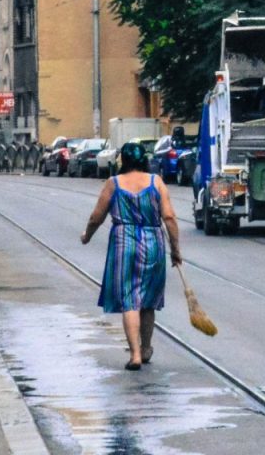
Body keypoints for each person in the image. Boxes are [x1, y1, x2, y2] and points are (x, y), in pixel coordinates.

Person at [81, 141, 182, 371]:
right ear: (144, 160)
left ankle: (135, 354)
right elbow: (169, 218)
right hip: (153, 242)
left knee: (130, 299)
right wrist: (175, 250)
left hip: (123, 242)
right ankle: (146, 348)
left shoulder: (113, 183)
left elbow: (96, 217)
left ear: (123, 161)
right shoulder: (156, 182)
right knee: (148, 301)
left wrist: (87, 236)